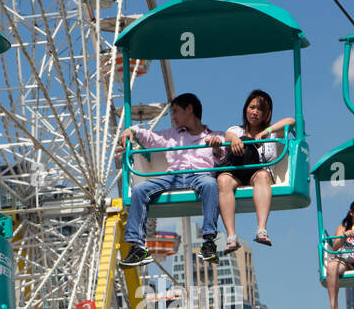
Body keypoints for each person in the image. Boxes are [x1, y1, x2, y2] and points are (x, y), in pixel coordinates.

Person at [117, 92, 226, 267]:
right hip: (172, 177)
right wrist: (131, 130)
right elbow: (149, 138)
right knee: (139, 190)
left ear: (189, 109)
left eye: (175, 111)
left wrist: (217, 149)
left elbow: (223, 160)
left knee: (210, 184)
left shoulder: (217, 135)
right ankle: (137, 246)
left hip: (200, 175)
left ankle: (209, 241)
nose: (173, 117)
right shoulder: (171, 135)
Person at [217, 88, 294, 252]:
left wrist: (266, 132)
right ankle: (231, 237)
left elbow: (292, 121)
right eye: (252, 107)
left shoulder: (272, 133)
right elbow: (228, 136)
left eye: (260, 109)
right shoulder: (236, 130)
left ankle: (262, 230)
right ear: (246, 108)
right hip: (238, 171)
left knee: (262, 176)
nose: (255, 112)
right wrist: (236, 140)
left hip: (259, 174)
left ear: (267, 113)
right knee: (223, 180)